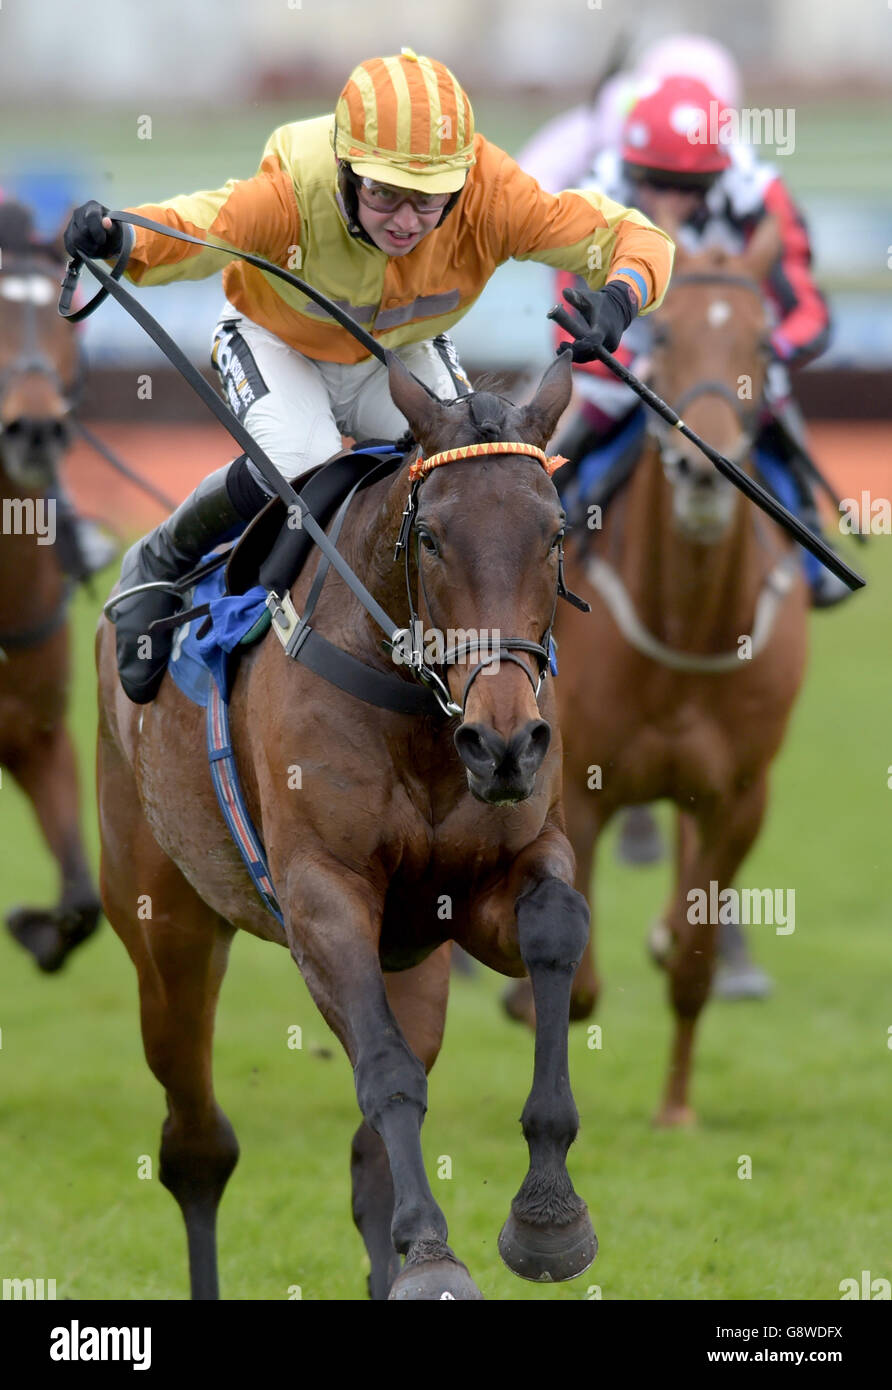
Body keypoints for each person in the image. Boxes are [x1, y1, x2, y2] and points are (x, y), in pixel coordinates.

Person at [64, 48, 674, 705]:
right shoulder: (292, 192)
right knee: (305, 462)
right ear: (346, 172)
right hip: (276, 343)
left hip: (398, 351)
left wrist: (619, 300)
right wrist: (121, 239)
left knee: (468, 472)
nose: (407, 221)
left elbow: (636, 239)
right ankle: (161, 558)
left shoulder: (494, 197)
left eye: (428, 199)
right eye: (385, 193)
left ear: (461, 182)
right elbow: (198, 225)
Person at [552, 73, 846, 610]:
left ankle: (811, 544)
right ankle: (544, 529)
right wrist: (635, 364)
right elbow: (567, 319)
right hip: (628, 350)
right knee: (562, 425)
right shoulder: (594, 196)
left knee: (772, 404)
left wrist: (760, 352)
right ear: (631, 167)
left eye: (690, 188)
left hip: (730, 350)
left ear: (719, 175)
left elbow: (809, 312)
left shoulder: (761, 195)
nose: (671, 200)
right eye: (655, 182)